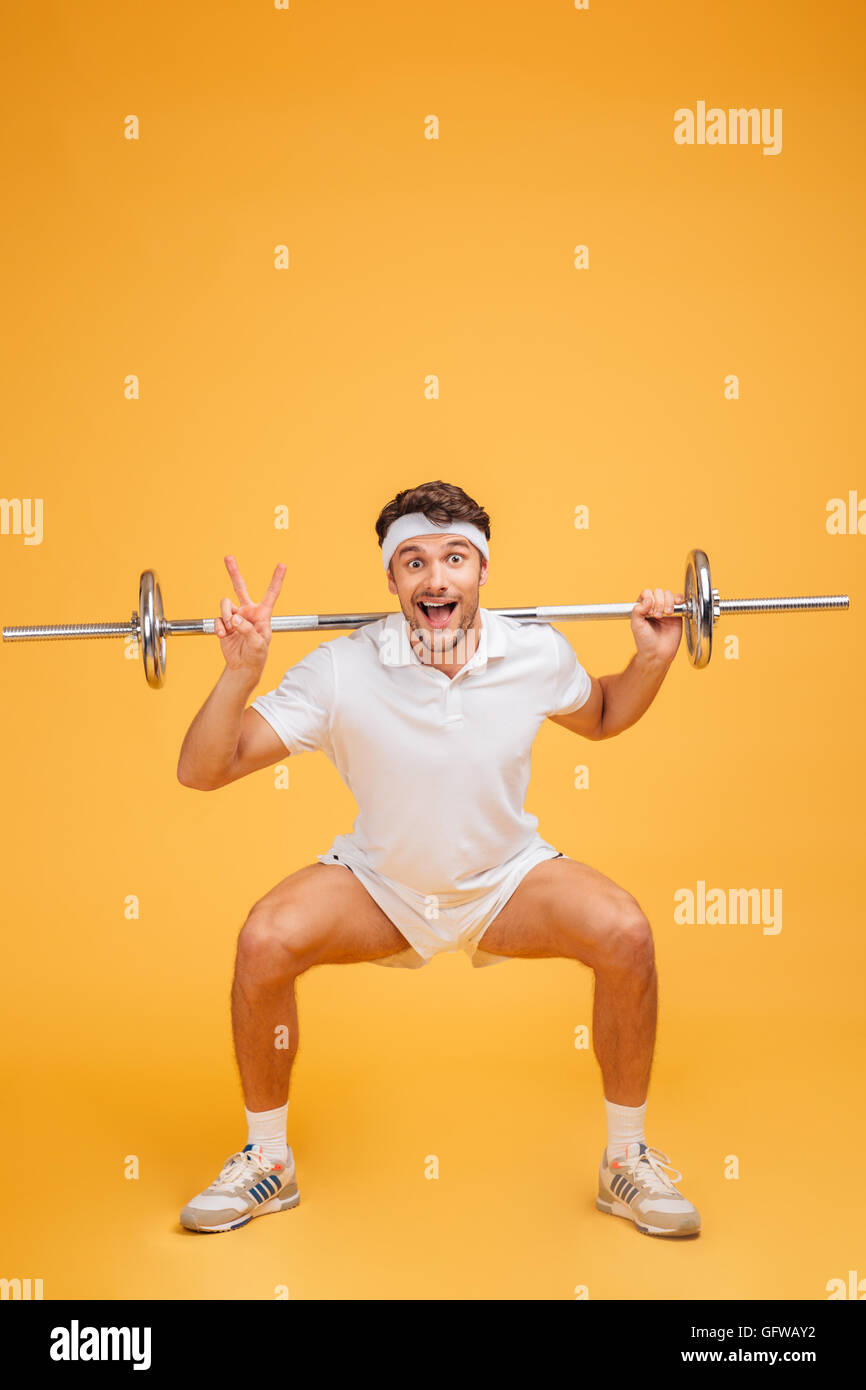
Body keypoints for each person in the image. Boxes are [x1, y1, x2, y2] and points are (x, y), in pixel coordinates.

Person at [176, 480, 700, 1239]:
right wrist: (238, 674)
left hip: (506, 882)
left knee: (626, 933)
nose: (436, 579)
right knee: (265, 941)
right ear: (392, 581)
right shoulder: (339, 671)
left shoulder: (536, 652)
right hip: (383, 886)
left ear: (482, 571)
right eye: (414, 562)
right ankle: (268, 1162)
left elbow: (607, 713)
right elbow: (204, 768)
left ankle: (626, 1163)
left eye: (455, 558)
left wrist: (651, 659)